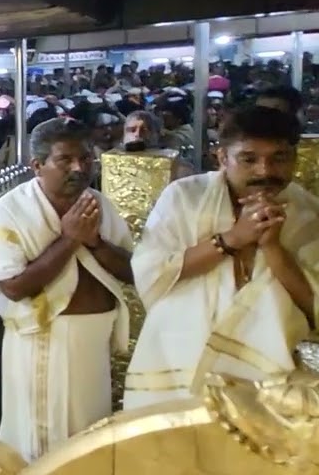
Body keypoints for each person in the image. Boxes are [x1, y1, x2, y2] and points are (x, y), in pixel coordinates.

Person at [124, 107, 319, 409]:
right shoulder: (185, 197)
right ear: (222, 157)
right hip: (180, 354)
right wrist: (232, 240)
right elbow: (152, 273)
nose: (264, 171)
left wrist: (273, 248)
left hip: (269, 373)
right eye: (249, 159)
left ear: (294, 158)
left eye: (279, 158)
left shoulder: (306, 210)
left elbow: (313, 304)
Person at [0, 118, 134, 461]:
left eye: (85, 158)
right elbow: (14, 287)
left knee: (88, 439)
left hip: (94, 340)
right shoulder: (12, 209)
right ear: (38, 166)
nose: (79, 168)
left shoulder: (98, 204)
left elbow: (131, 271)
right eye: (65, 160)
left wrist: (94, 242)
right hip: (42, 339)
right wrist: (69, 239)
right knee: (42, 443)